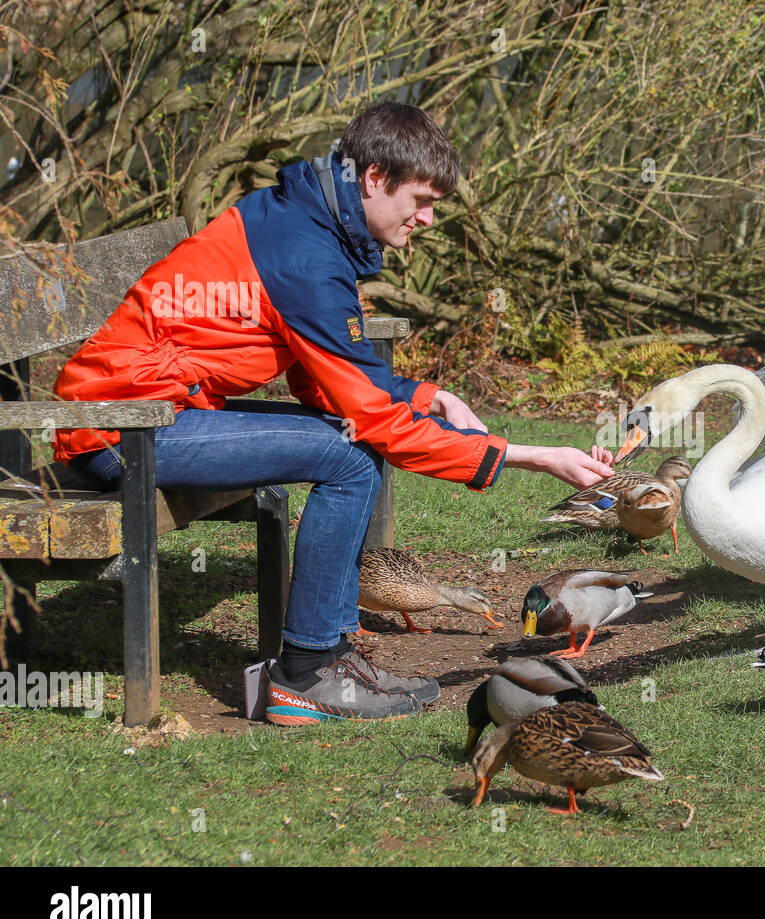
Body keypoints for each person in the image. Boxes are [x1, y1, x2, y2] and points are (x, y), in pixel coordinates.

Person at [51, 102, 614, 725]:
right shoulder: (306, 254)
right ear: (374, 179)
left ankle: (329, 655)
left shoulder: (308, 225)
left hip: (160, 415)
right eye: (422, 199)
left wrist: (431, 398)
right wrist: (529, 456)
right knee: (349, 453)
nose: (427, 219)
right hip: (117, 432)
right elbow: (368, 416)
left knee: (353, 442)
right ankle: (307, 673)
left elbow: (325, 383)